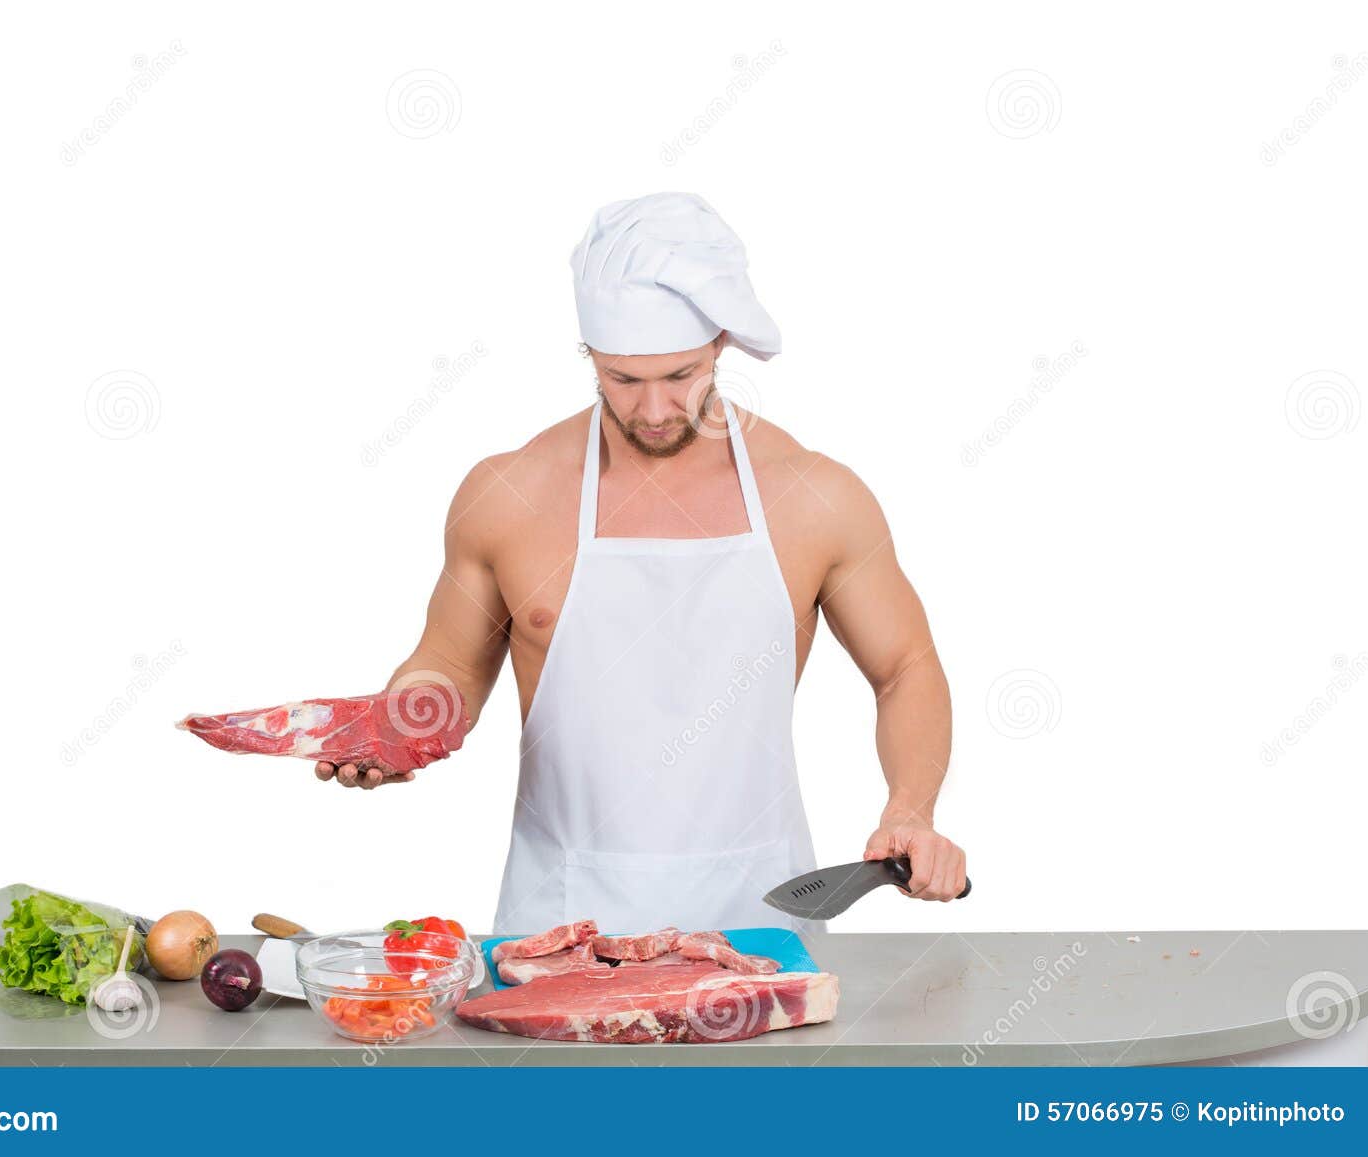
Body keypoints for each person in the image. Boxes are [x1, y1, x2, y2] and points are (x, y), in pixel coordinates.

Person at [318, 191, 967, 933]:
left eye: (681, 375)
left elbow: (906, 664)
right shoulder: (509, 493)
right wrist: (402, 724)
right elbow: (450, 665)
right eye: (624, 380)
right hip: (558, 919)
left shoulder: (815, 496)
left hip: (760, 913)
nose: (654, 409)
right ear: (590, 354)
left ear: (721, 344)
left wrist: (910, 810)